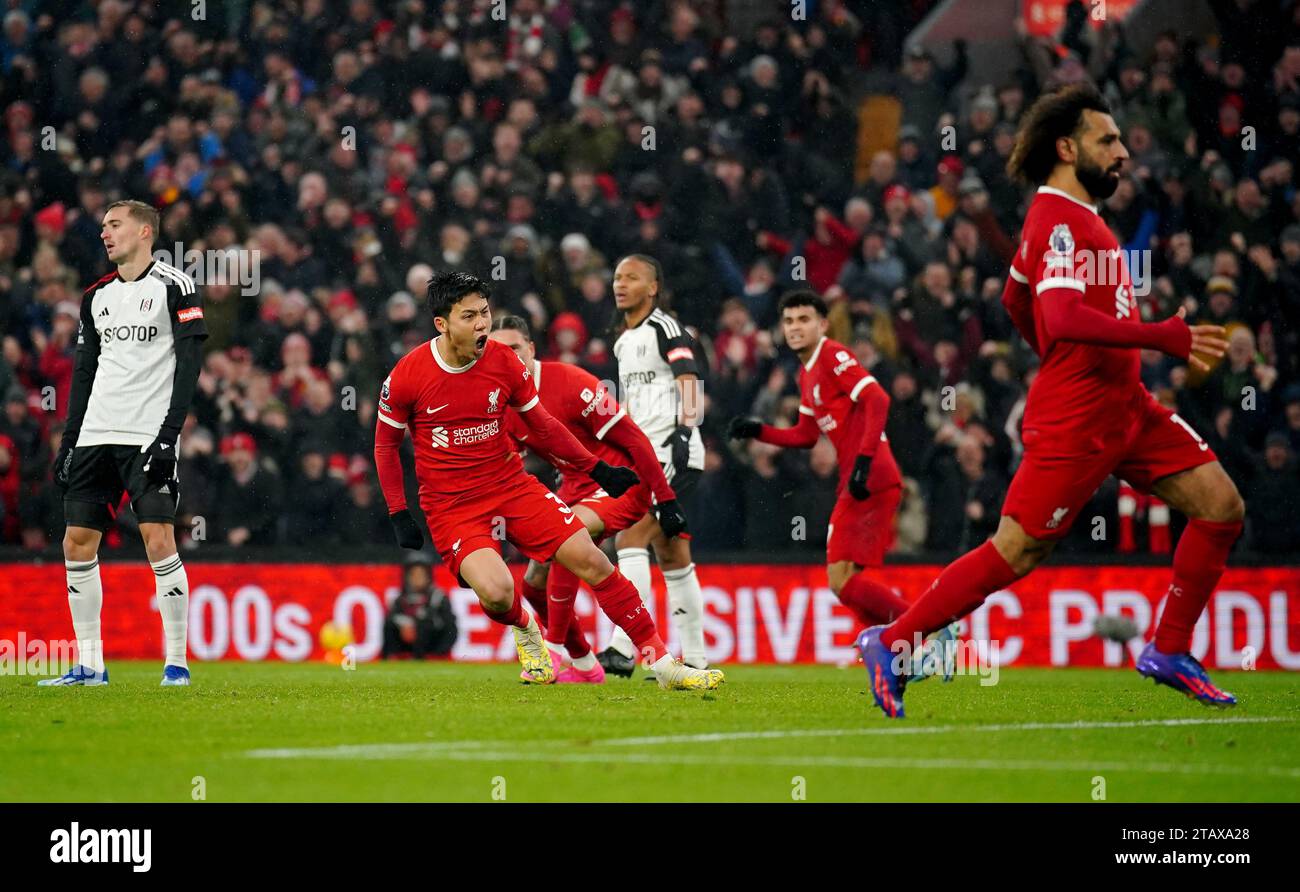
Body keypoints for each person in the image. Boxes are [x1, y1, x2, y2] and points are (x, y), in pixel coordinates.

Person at [858, 84, 1240, 718]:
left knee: (1221, 506)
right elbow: (1059, 315)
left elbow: (1018, 298)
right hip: (1077, 418)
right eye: (1108, 140)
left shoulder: (1071, 217)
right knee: (1016, 551)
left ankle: (1169, 649)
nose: (1122, 153)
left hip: (1127, 406)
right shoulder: (1058, 220)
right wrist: (1159, 336)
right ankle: (895, 641)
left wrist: (1072, 350)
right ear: (1068, 147)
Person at [372, 270, 722, 690]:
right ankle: (526, 628)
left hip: (512, 487)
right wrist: (398, 512)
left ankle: (663, 664)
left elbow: (544, 425)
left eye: (485, 313)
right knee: (500, 592)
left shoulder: (502, 362)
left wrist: (596, 468)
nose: (482, 324)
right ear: (442, 324)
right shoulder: (408, 375)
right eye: (470, 316)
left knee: (593, 560)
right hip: (453, 507)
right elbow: (385, 447)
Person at [728, 291, 958, 678]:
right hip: (860, 478)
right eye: (789, 321)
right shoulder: (807, 372)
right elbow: (804, 434)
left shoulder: (833, 355)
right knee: (843, 581)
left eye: (804, 319)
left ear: (823, 325)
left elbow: (878, 399)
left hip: (870, 478)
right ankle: (901, 649)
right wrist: (760, 431)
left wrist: (864, 462)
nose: (796, 327)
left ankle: (928, 630)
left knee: (841, 579)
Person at [39, 199, 207, 687]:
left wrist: (169, 436)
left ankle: (176, 663)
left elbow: (190, 366)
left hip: (147, 435)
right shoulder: (95, 298)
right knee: (77, 542)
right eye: (103, 227)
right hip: (96, 434)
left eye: (114, 225)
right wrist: (70, 442)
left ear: (144, 232)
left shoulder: (175, 287)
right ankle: (90, 664)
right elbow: (84, 373)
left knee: (158, 539)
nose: (104, 234)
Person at [489, 314, 686, 683]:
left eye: (515, 347)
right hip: (576, 489)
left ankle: (555, 650)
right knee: (532, 583)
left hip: (622, 483)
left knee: (568, 536)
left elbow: (634, 439)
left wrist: (667, 498)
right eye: (499, 350)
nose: (509, 356)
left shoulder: (572, 382)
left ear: (531, 349)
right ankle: (583, 664)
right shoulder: (503, 403)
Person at [597, 254, 711, 677]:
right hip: (647, 454)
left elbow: (691, 381)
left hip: (671, 451)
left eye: (632, 277)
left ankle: (625, 647)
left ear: (653, 287)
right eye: (616, 276)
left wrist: (686, 431)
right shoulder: (623, 340)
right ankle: (696, 658)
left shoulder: (665, 327)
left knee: (629, 537)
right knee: (672, 554)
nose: (620, 284)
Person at [381, 551, 458, 659]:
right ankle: (391, 657)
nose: (417, 579)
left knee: (425, 626)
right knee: (389, 624)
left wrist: (420, 623)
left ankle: (432, 657)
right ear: (407, 577)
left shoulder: (438, 597)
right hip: (407, 641)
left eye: (421, 575)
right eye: (413, 575)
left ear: (428, 576)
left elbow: (449, 626)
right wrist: (404, 625)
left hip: (431, 643)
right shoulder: (401, 599)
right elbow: (392, 617)